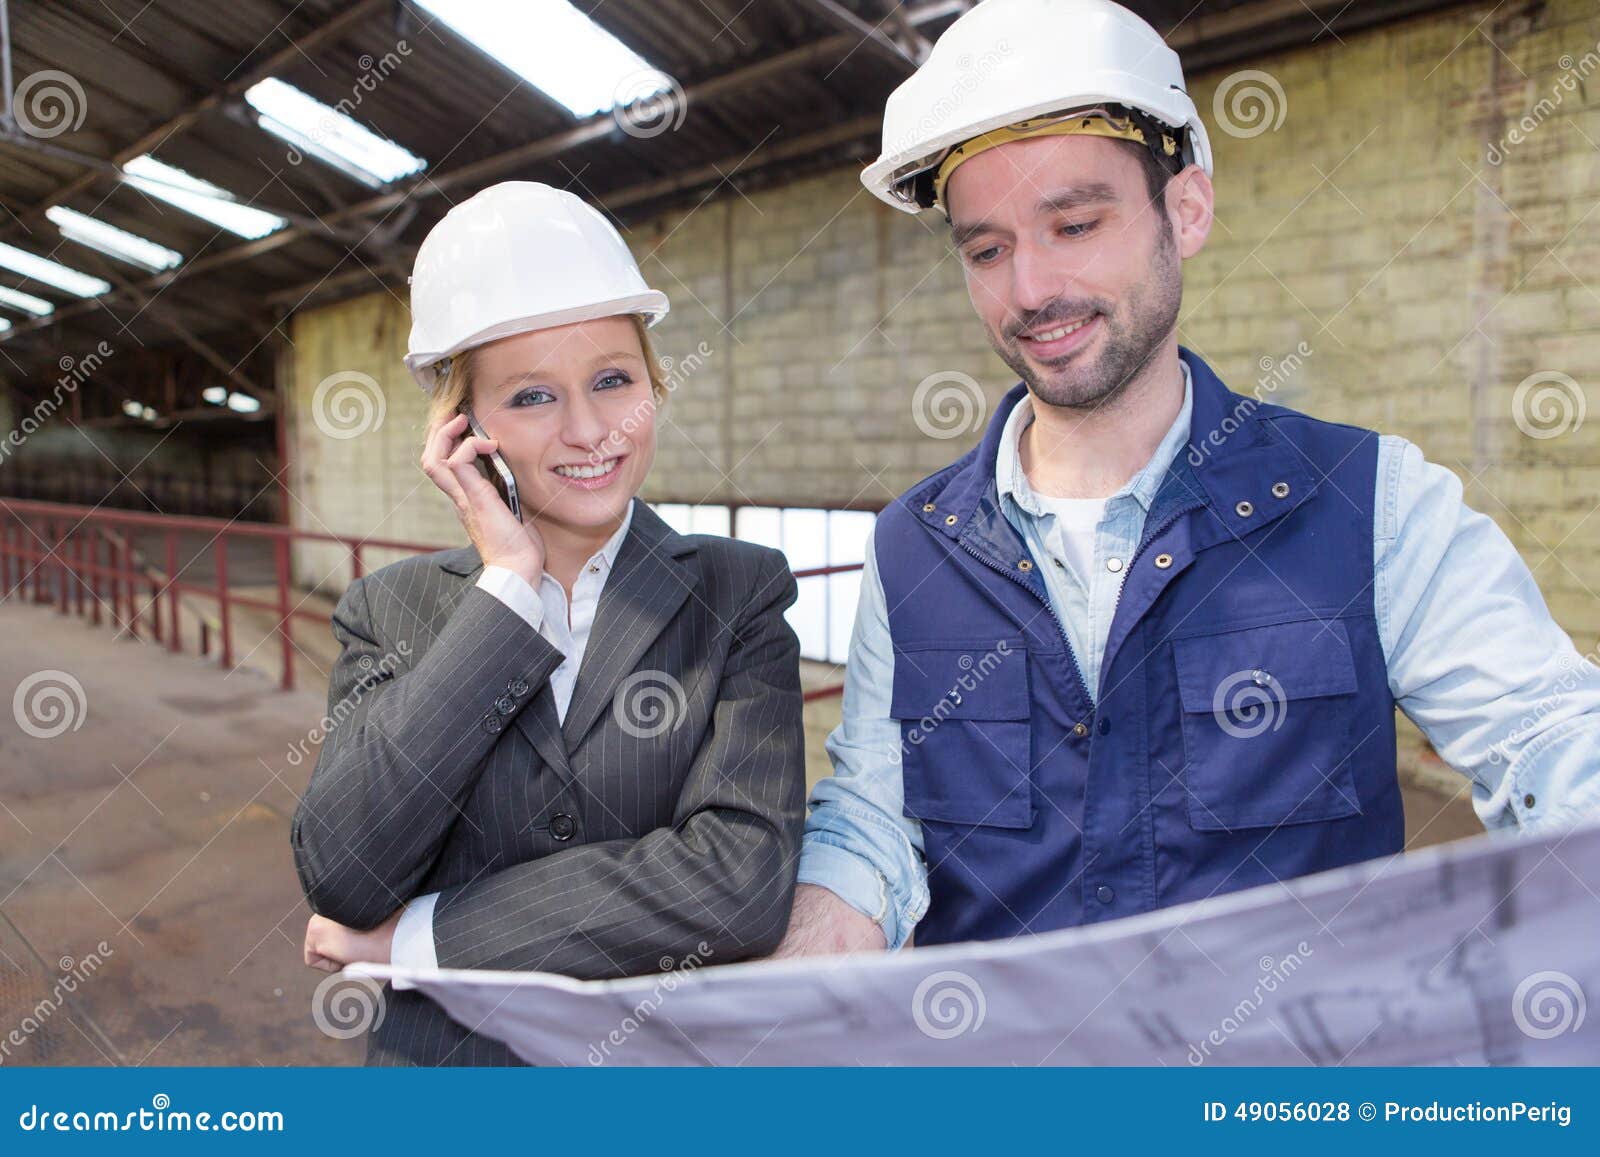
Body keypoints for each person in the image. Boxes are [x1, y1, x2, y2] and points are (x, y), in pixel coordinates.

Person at [774, 0, 1600, 957]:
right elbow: (878, 816)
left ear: (1188, 210)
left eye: (1075, 223)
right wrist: (794, 980)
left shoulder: (1369, 500)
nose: (1030, 288)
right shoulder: (914, 548)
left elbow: (1548, 739)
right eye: (986, 249)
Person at [291, 181, 805, 1065]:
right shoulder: (393, 608)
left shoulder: (738, 594)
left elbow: (739, 882)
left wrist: (423, 938)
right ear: (465, 428)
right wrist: (507, 591)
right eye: (532, 397)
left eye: (614, 379)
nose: (590, 428)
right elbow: (347, 872)